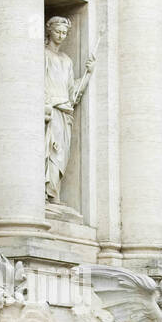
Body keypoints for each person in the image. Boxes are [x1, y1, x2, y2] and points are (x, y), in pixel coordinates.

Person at [43, 16, 94, 203]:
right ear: (49, 31)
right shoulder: (43, 55)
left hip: (65, 113)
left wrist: (88, 73)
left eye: (65, 33)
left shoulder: (66, 60)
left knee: (60, 155)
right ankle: (48, 194)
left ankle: (53, 192)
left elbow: (73, 92)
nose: (61, 36)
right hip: (52, 110)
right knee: (50, 152)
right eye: (58, 31)